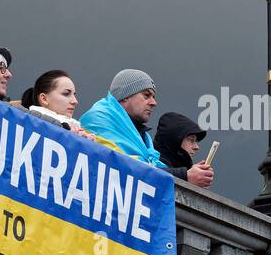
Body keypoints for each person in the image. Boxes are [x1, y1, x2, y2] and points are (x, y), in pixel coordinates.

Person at [80, 70, 214, 187]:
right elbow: (125, 167)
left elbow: (148, 170)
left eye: (153, 97)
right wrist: (184, 176)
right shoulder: (99, 120)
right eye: (146, 95)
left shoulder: (143, 137)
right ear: (125, 95)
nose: (153, 102)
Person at [20, 70, 100, 140]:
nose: (75, 101)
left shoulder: (82, 133)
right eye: (66, 94)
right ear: (44, 99)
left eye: (74, 95)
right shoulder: (26, 127)